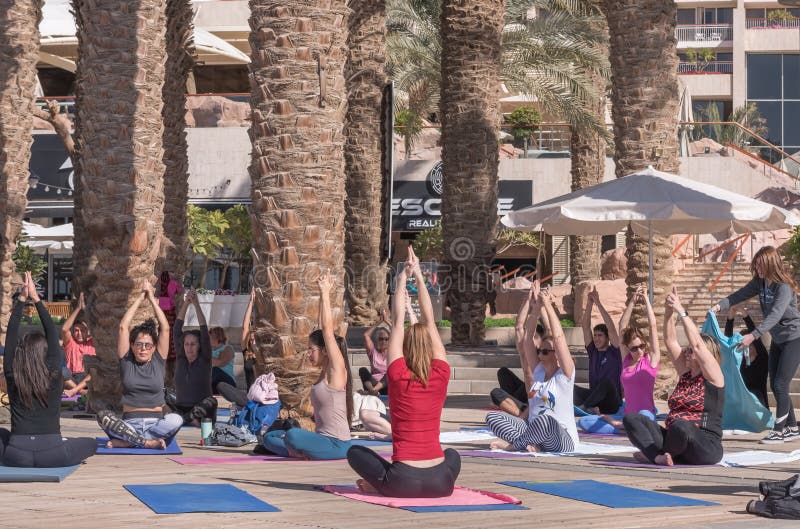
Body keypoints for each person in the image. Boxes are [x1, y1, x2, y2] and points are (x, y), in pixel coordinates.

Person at [347, 245, 460, 497]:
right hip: (442, 482)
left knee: (354, 452)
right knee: (452, 455)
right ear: (432, 348)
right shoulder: (441, 373)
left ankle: (380, 485)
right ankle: (387, 484)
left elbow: (397, 321)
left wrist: (401, 280)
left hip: (402, 481)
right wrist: (419, 277)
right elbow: (430, 322)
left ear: (405, 348)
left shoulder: (397, 374)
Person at [1, 272, 96, 467]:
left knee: (2, 434)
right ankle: (63, 443)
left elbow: (10, 337)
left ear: (21, 354)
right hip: (54, 454)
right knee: (91, 443)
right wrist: (36, 299)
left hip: (17, 455)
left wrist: (20, 300)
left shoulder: (13, 375)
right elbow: (52, 334)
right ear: (46, 354)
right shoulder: (54, 374)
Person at [624, 287, 724, 466]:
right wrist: (669, 312)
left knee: (681, 425)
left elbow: (698, 345)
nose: (686, 352)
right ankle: (657, 457)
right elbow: (670, 341)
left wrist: (682, 311)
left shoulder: (714, 378)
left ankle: (659, 453)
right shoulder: (686, 373)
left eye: (690, 351)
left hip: (704, 446)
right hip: (674, 441)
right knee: (632, 418)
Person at [261, 271, 354, 460]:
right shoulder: (323, 372)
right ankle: (300, 451)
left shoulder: (336, 371)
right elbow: (322, 330)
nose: (308, 354)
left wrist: (325, 292)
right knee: (270, 437)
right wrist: (321, 297)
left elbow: (327, 332)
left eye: (312, 350)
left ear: (326, 350)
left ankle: (299, 449)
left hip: (338, 444)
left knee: (293, 435)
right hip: (322, 440)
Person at [711, 246, 800, 444]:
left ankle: (778, 430)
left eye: (761, 265)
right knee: (777, 385)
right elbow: (739, 294)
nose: (758, 269)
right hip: (778, 340)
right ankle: (793, 428)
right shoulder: (760, 283)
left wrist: (753, 335)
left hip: (794, 339)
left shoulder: (783, 286)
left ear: (771, 264)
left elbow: (775, 315)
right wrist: (720, 305)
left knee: (780, 383)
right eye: (756, 265)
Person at [485, 280, 579, 453]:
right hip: (534, 431)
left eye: (545, 351)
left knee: (545, 420)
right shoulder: (539, 372)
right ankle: (532, 444)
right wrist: (534, 309)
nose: (540, 354)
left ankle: (514, 446)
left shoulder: (565, 375)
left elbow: (558, 338)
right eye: (540, 351)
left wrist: (547, 305)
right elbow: (527, 339)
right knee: (493, 418)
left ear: (556, 354)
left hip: (562, 439)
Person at [96, 279, 183, 449]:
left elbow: (165, 328)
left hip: (156, 426)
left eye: (148, 345)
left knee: (176, 419)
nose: (143, 349)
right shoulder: (127, 361)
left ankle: (130, 442)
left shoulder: (159, 359)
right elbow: (123, 327)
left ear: (153, 348)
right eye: (139, 344)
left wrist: (151, 298)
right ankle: (145, 443)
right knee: (102, 415)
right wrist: (139, 298)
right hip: (129, 425)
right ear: (132, 346)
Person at [579, 286, 659, 434]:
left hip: (644, 414)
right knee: (585, 422)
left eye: (642, 346)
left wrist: (647, 299)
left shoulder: (650, 360)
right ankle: (624, 427)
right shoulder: (626, 360)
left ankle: (621, 426)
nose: (639, 350)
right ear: (628, 348)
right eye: (634, 348)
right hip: (625, 415)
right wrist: (632, 301)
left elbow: (653, 326)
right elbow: (622, 325)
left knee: (643, 418)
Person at [489, 286, 546, 418]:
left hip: (540, 401)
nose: (530, 340)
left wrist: (541, 305)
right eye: (529, 337)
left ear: (542, 341)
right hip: (526, 396)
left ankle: (523, 414)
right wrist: (527, 300)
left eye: (534, 337)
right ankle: (519, 410)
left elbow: (551, 330)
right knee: (501, 380)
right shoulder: (525, 351)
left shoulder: (547, 354)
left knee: (498, 394)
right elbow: (519, 326)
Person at [168, 289, 217, 426]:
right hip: (181, 407)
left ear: (199, 346)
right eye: (187, 344)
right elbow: (176, 329)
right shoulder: (181, 359)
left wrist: (195, 304)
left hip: (200, 409)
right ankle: (188, 419)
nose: (189, 347)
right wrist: (185, 303)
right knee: (162, 394)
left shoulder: (204, 359)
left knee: (211, 401)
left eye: (193, 344)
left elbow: (204, 329)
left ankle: (186, 419)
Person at [574, 286, 623, 415]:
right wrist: (589, 303)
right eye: (595, 335)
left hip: (612, 401)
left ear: (607, 338)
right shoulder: (593, 352)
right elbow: (585, 327)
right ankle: (589, 408)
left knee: (606, 383)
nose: (596, 338)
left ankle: (584, 408)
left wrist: (598, 303)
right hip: (595, 399)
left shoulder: (615, 352)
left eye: (600, 335)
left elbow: (611, 328)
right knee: (572, 388)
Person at [724, 306, 769, 408]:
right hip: (742, 406)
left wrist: (744, 313)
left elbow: (755, 336)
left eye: (749, 344)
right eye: (743, 344)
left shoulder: (762, 357)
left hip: (759, 406)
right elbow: (728, 341)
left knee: (753, 393)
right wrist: (731, 314)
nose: (746, 347)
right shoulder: (739, 361)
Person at [60, 292, 96, 394]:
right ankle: (80, 391)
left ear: (88, 331)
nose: (79, 333)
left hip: (87, 379)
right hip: (71, 379)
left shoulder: (93, 342)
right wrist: (78, 308)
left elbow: (98, 329)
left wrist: (85, 310)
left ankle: (75, 391)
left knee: (96, 370)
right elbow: (64, 329)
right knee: (61, 371)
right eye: (76, 330)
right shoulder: (70, 342)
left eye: (83, 330)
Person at [157, 271, 183, 386]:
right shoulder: (172, 283)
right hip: (171, 318)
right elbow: (180, 290)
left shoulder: (157, 286)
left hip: (162, 319)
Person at [360, 309, 390, 396]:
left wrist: (387, 321)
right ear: (378, 340)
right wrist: (379, 322)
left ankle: (372, 391)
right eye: (381, 339)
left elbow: (400, 335)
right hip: (372, 383)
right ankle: (372, 391)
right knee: (362, 370)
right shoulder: (373, 352)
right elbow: (366, 335)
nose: (383, 341)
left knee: (390, 372)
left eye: (386, 339)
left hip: (387, 386)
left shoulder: (392, 353)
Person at [209, 327, 237, 392]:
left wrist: (206, 355)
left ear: (216, 336)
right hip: (214, 382)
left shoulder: (227, 348)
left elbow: (220, 363)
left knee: (215, 370)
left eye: (209, 337)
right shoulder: (209, 350)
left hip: (227, 381)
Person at [240, 288, 257, 389]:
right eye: (251, 338)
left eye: (255, 338)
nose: (253, 340)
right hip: (250, 396)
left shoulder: (265, 354)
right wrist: (251, 302)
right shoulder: (246, 353)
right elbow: (244, 328)